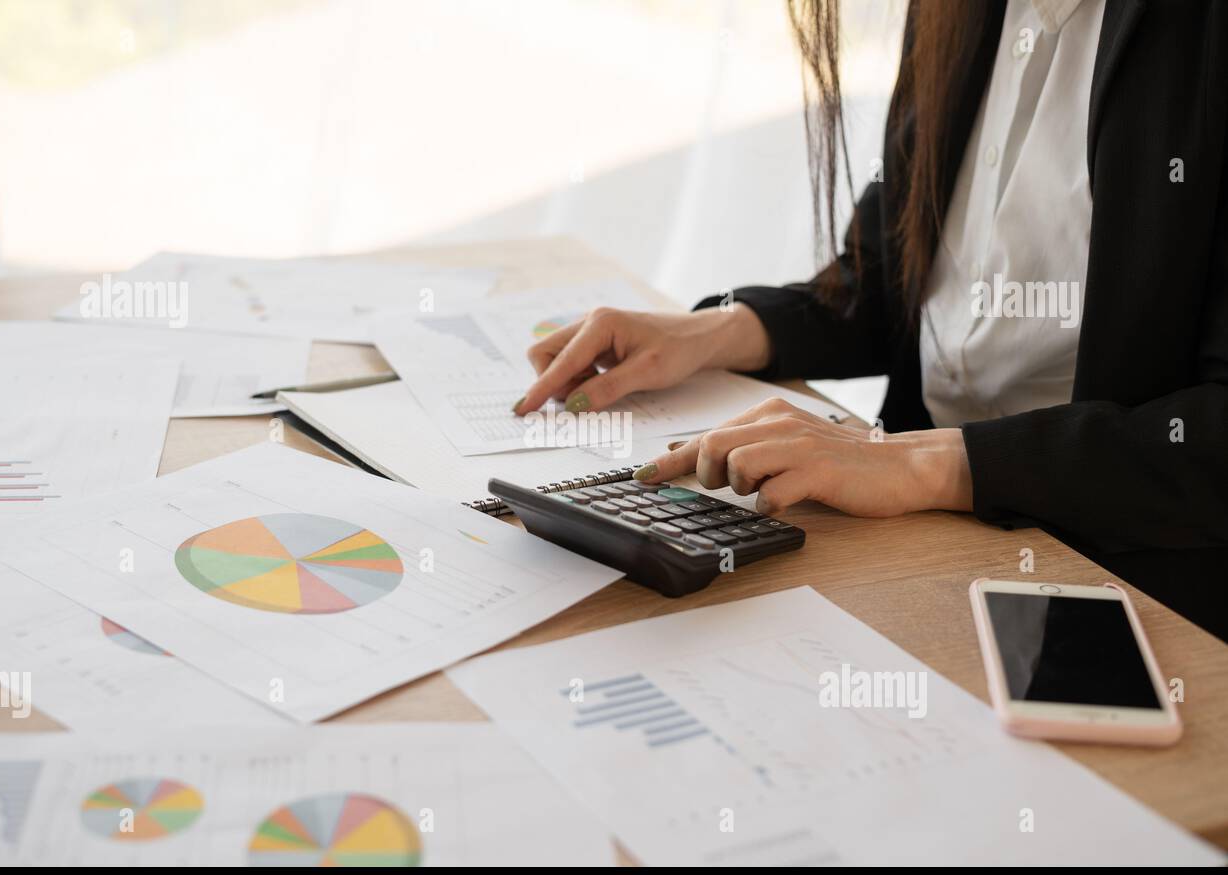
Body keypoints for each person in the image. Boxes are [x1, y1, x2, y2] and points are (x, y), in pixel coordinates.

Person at [514, 0, 1228, 639]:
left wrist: (922, 463)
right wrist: (721, 329)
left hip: (1125, 582)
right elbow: (893, 272)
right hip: (921, 539)